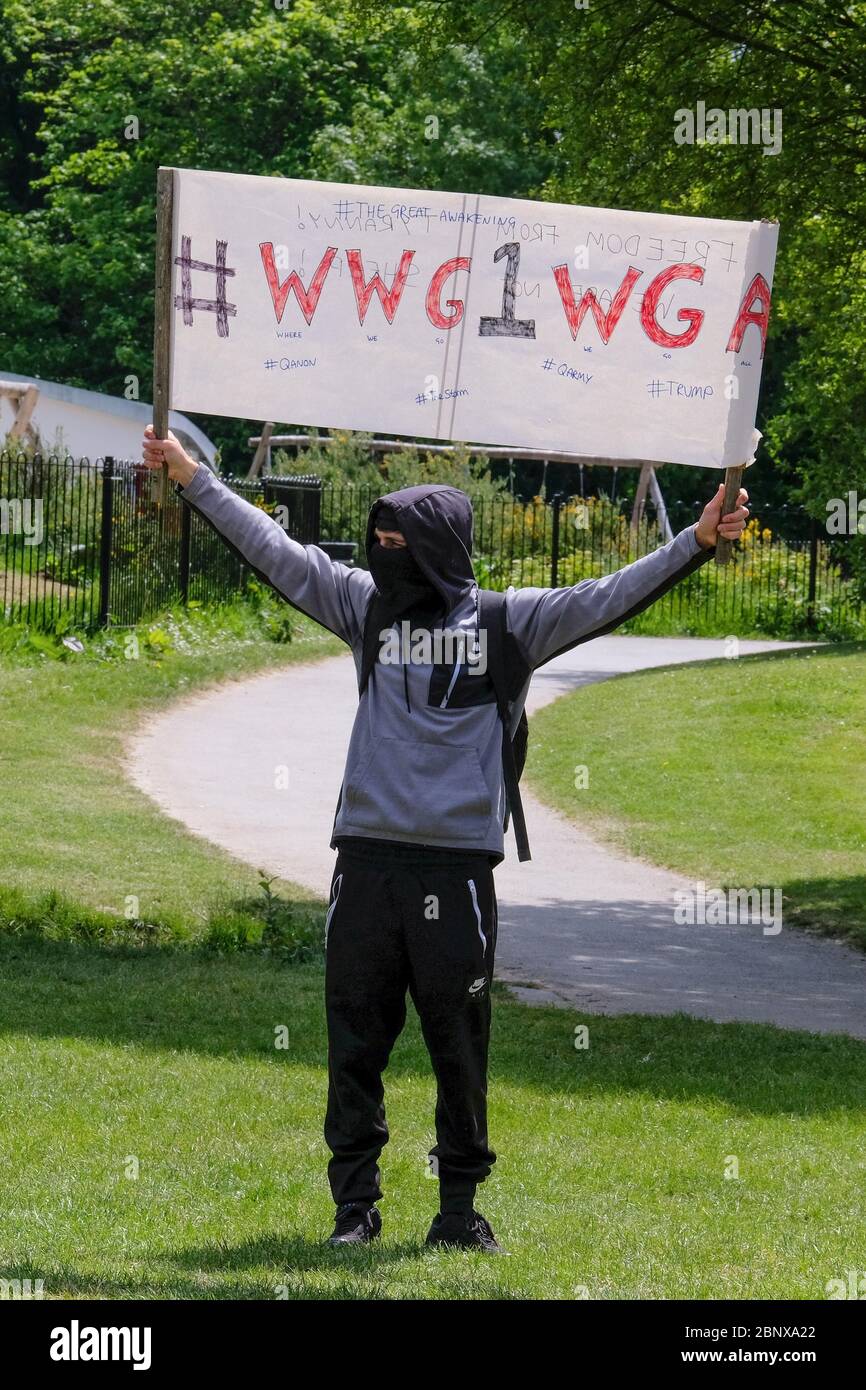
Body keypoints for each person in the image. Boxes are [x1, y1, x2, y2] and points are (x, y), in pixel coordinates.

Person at [142, 425, 749, 1252]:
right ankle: (353, 1211)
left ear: (439, 549)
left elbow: (609, 594)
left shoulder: (511, 625)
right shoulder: (365, 609)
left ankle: (458, 1213)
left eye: (401, 545)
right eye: (378, 542)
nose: (385, 557)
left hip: (456, 873)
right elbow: (280, 552)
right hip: (365, 865)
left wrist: (697, 539)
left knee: (457, 1046)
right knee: (354, 1041)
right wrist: (193, 478)